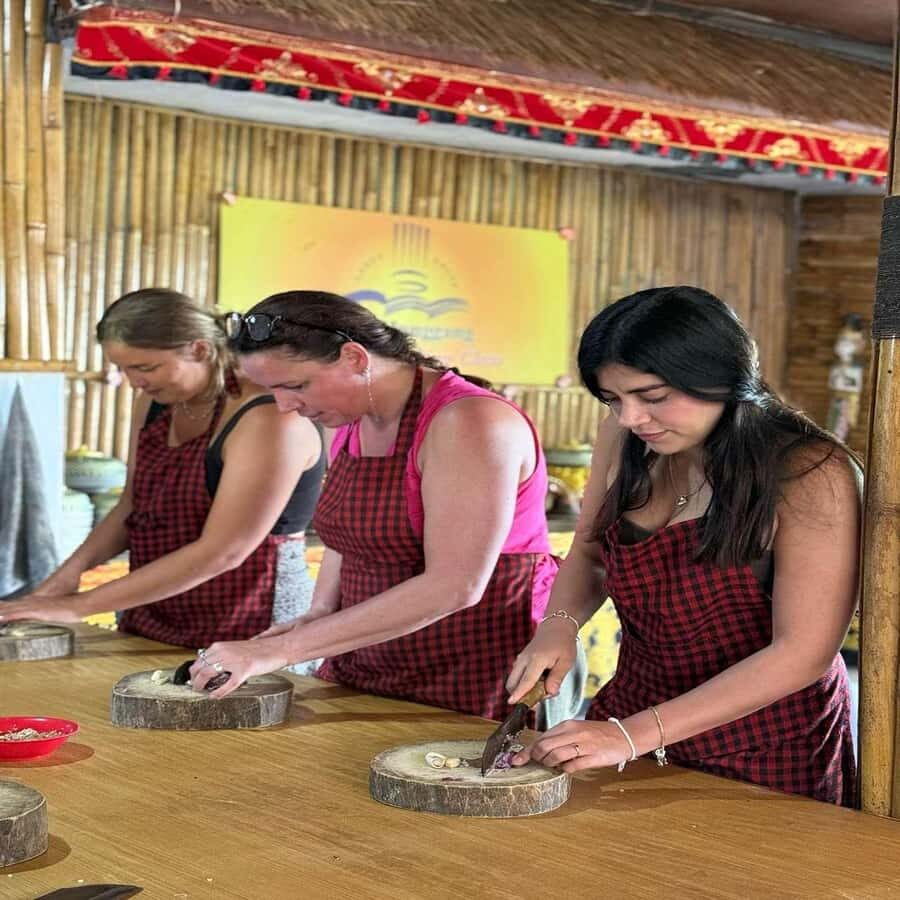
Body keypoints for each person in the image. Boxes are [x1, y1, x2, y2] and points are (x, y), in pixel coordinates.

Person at [506, 285, 859, 806]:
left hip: (767, 743)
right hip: (633, 711)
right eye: (613, 399)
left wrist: (630, 735)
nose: (629, 418)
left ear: (721, 376)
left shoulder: (809, 472)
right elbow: (587, 551)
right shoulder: (626, 436)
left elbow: (802, 654)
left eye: (651, 397)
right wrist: (558, 628)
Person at [188, 290, 585, 723]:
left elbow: (455, 586)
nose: (286, 406)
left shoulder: (470, 421)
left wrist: (275, 651)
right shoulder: (354, 417)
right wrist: (320, 612)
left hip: (477, 662)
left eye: (296, 386)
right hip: (370, 658)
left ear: (355, 358)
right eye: (274, 391)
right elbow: (344, 538)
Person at [0, 289, 325, 665]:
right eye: (123, 369)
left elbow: (223, 552)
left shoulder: (269, 417)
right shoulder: (157, 402)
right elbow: (132, 505)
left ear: (200, 350)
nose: (133, 381)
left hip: (249, 616)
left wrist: (79, 607)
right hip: (152, 605)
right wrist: (66, 576)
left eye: (145, 368)